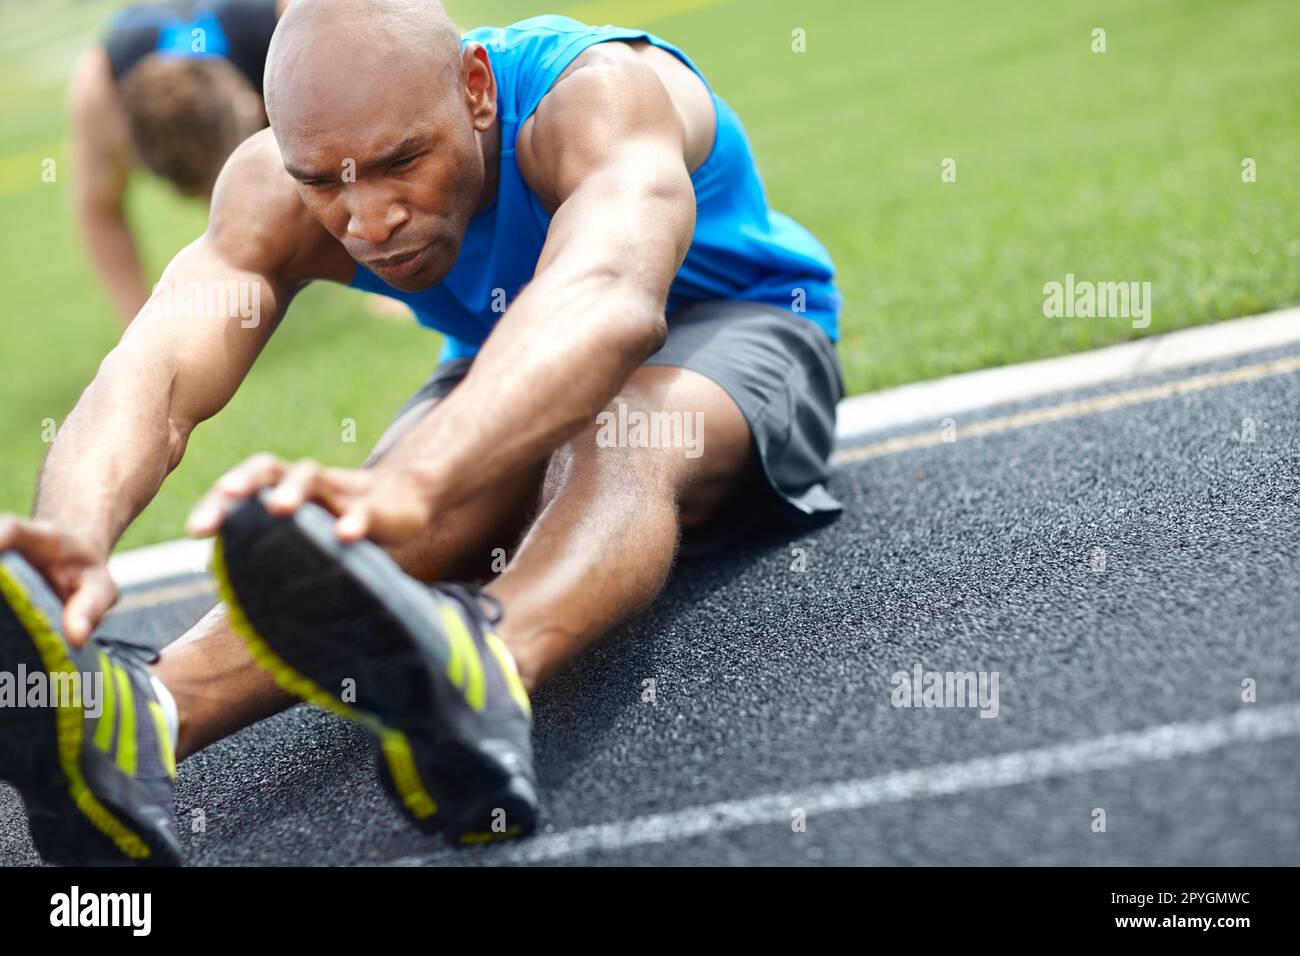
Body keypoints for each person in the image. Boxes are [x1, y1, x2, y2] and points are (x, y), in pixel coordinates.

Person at [0, 0, 843, 865]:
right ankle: (137, 715)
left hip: (743, 326)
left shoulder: (595, 97)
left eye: (402, 162)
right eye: (324, 183)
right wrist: (68, 541)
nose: (366, 220)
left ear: (476, 90)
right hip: (508, 352)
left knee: (615, 430)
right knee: (367, 535)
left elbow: (610, 301)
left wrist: (420, 477)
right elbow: (156, 374)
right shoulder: (275, 187)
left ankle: (489, 663)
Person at [69, 0, 285, 322]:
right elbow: (100, 209)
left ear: (254, 108)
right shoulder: (100, 90)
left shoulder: (284, 23)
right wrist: (141, 331)